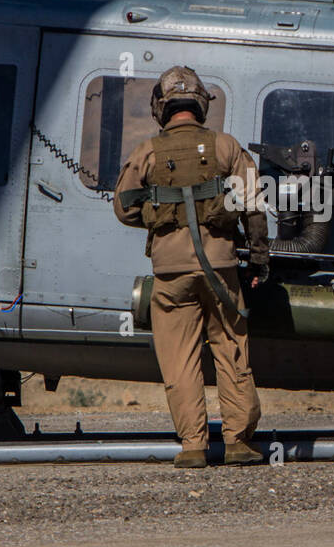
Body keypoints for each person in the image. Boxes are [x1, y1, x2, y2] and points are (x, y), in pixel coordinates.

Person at [114, 67, 269, 468]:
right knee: (231, 349)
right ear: (200, 103)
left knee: (180, 360)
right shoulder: (225, 146)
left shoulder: (146, 152)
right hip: (220, 268)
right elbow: (253, 203)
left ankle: (194, 447)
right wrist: (258, 256)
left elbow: (123, 206)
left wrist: (160, 219)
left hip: (171, 272)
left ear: (161, 108)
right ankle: (237, 442)